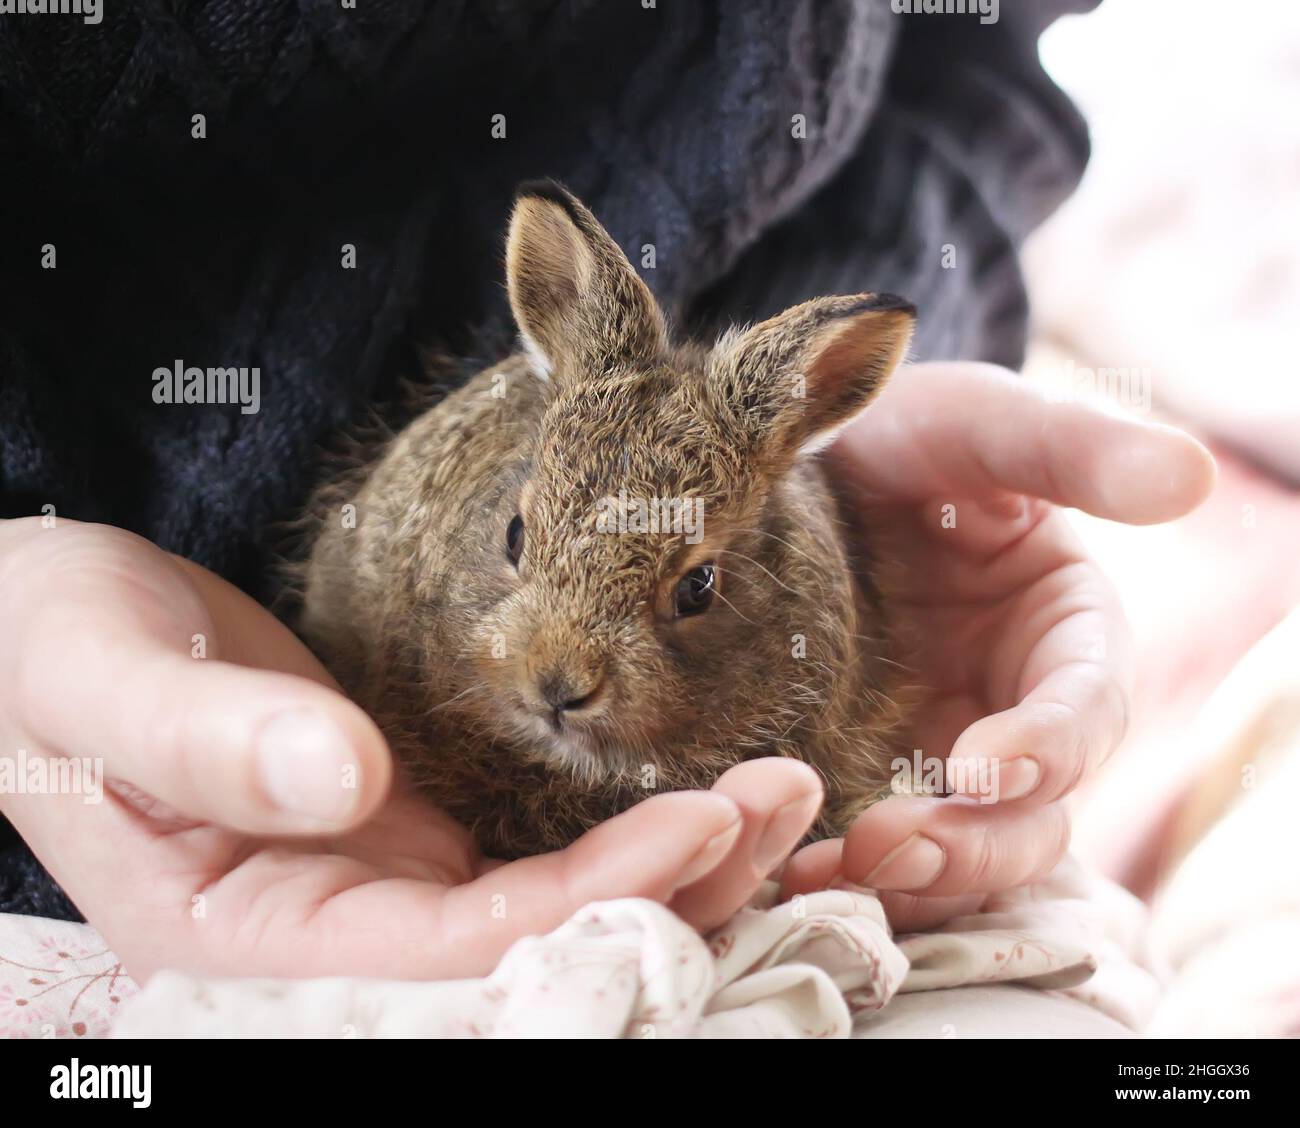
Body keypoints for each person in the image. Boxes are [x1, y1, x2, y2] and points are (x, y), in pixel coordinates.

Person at [2, 1, 1214, 982]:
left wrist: (878, 321)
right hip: (134, 814)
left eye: (691, 591)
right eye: (527, 543)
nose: (561, 669)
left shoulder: (792, 642)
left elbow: (968, 46)